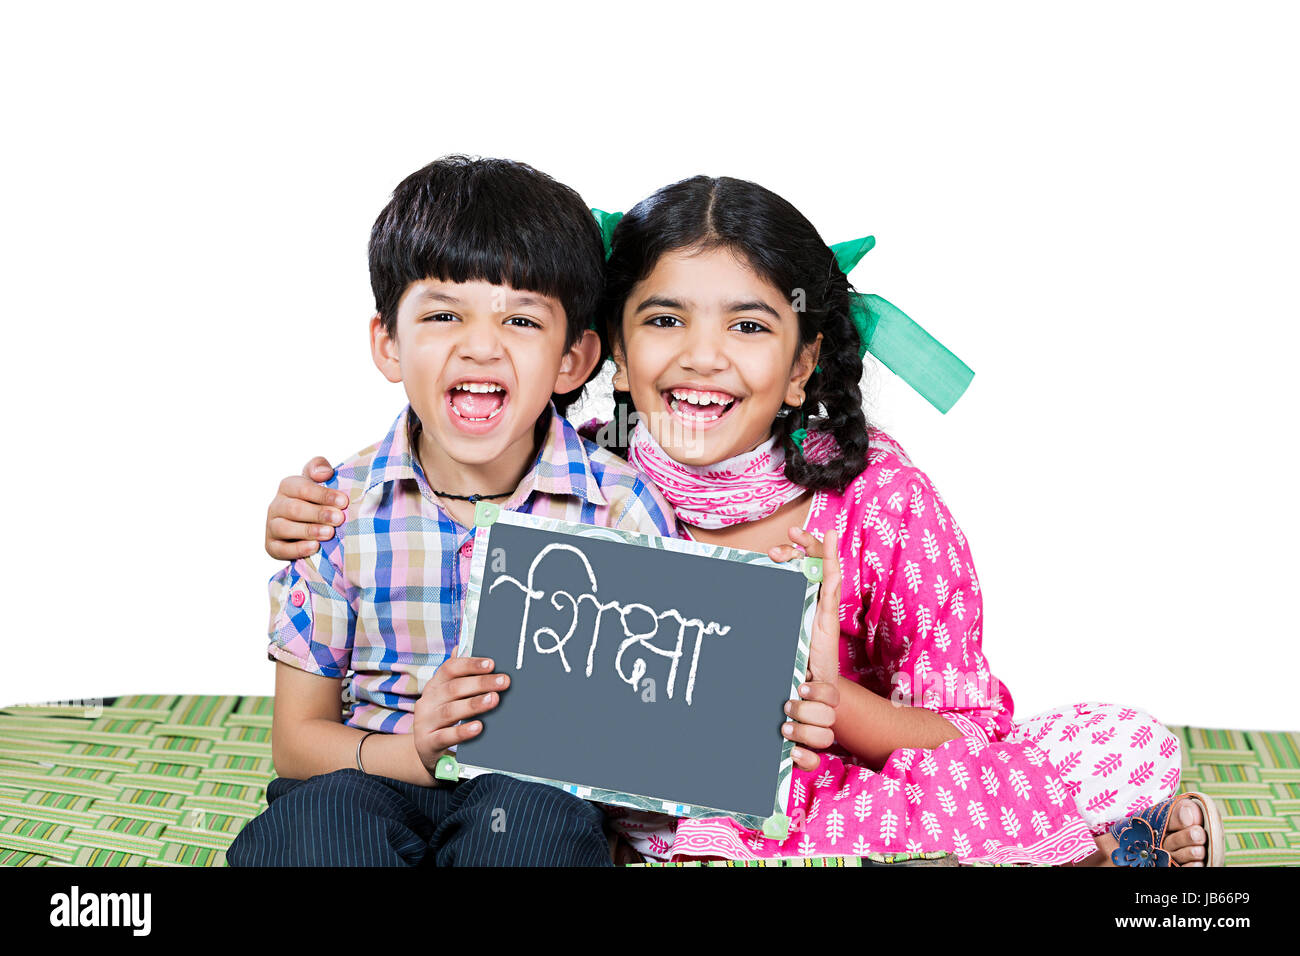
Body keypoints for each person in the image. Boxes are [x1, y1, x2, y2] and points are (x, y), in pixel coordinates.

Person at [265, 174, 1223, 867]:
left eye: (751, 326)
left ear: (804, 366)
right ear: (608, 349)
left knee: (1120, 742)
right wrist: (306, 509)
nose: (703, 358)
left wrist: (829, 700)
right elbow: (445, 465)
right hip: (627, 813)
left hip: (838, 789)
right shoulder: (580, 470)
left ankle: (1115, 849)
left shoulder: (881, 502)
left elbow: (968, 735)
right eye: (666, 319)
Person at [228, 155, 678, 867]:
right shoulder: (334, 510)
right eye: (443, 314)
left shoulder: (620, 507)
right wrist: (416, 751)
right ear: (388, 343)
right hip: (371, 771)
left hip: (531, 794)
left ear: (574, 359)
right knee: (318, 823)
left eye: (522, 319)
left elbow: (662, 729)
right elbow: (297, 740)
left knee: (530, 815)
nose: (480, 344)